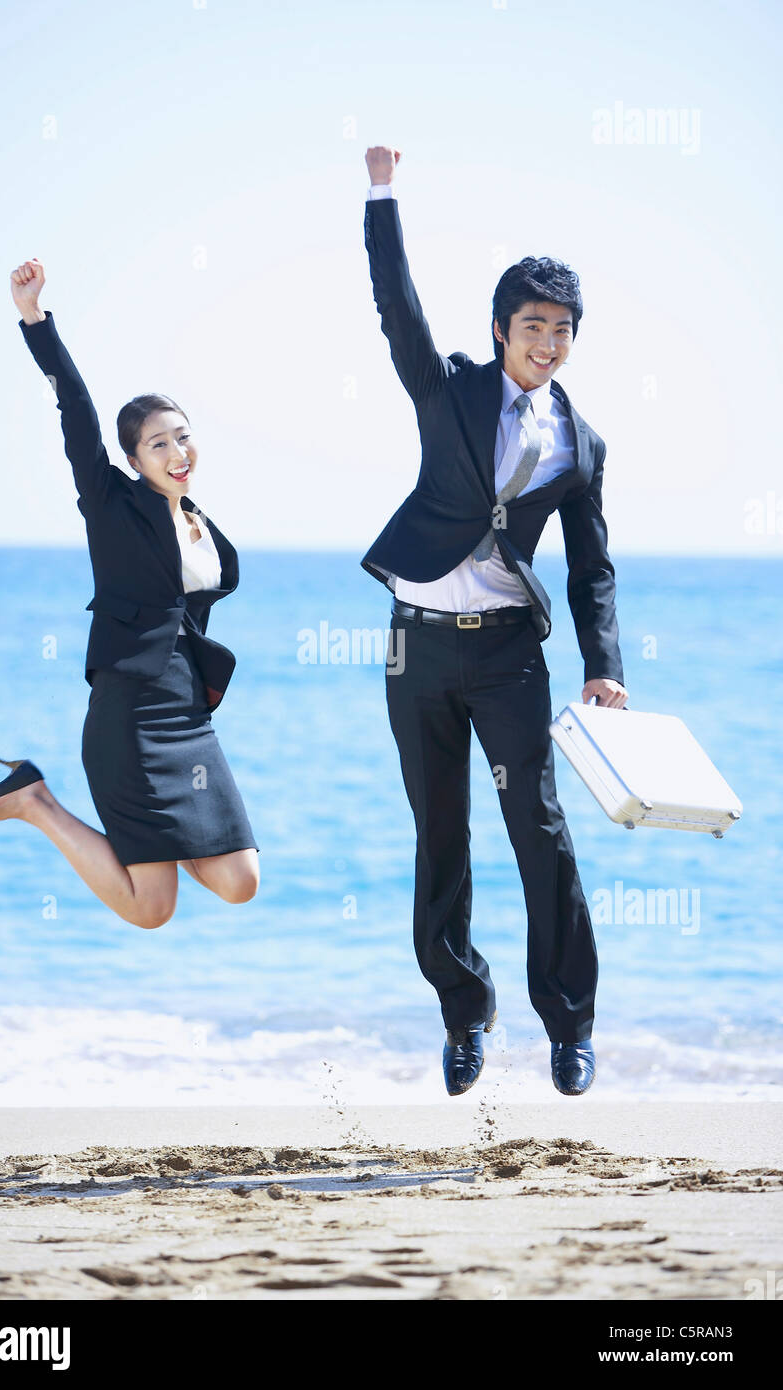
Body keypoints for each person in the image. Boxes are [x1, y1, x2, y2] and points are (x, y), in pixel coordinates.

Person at [360, 147, 629, 1097]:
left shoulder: (581, 442)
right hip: (417, 644)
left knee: (539, 828)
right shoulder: (454, 392)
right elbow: (398, 308)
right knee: (440, 833)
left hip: (512, 656)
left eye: (561, 330)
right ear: (503, 329)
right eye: (532, 326)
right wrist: (382, 197)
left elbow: (592, 563)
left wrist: (606, 663)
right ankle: (463, 1010)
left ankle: (569, 1023)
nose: (546, 343)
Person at [0, 258, 259, 928]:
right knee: (151, 910)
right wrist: (35, 317)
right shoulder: (114, 505)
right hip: (131, 715)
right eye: (158, 444)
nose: (177, 451)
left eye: (182, 436)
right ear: (133, 461)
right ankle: (35, 802)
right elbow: (77, 407)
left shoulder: (201, 523)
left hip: (190, 720)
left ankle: (146, 834)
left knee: (241, 880)